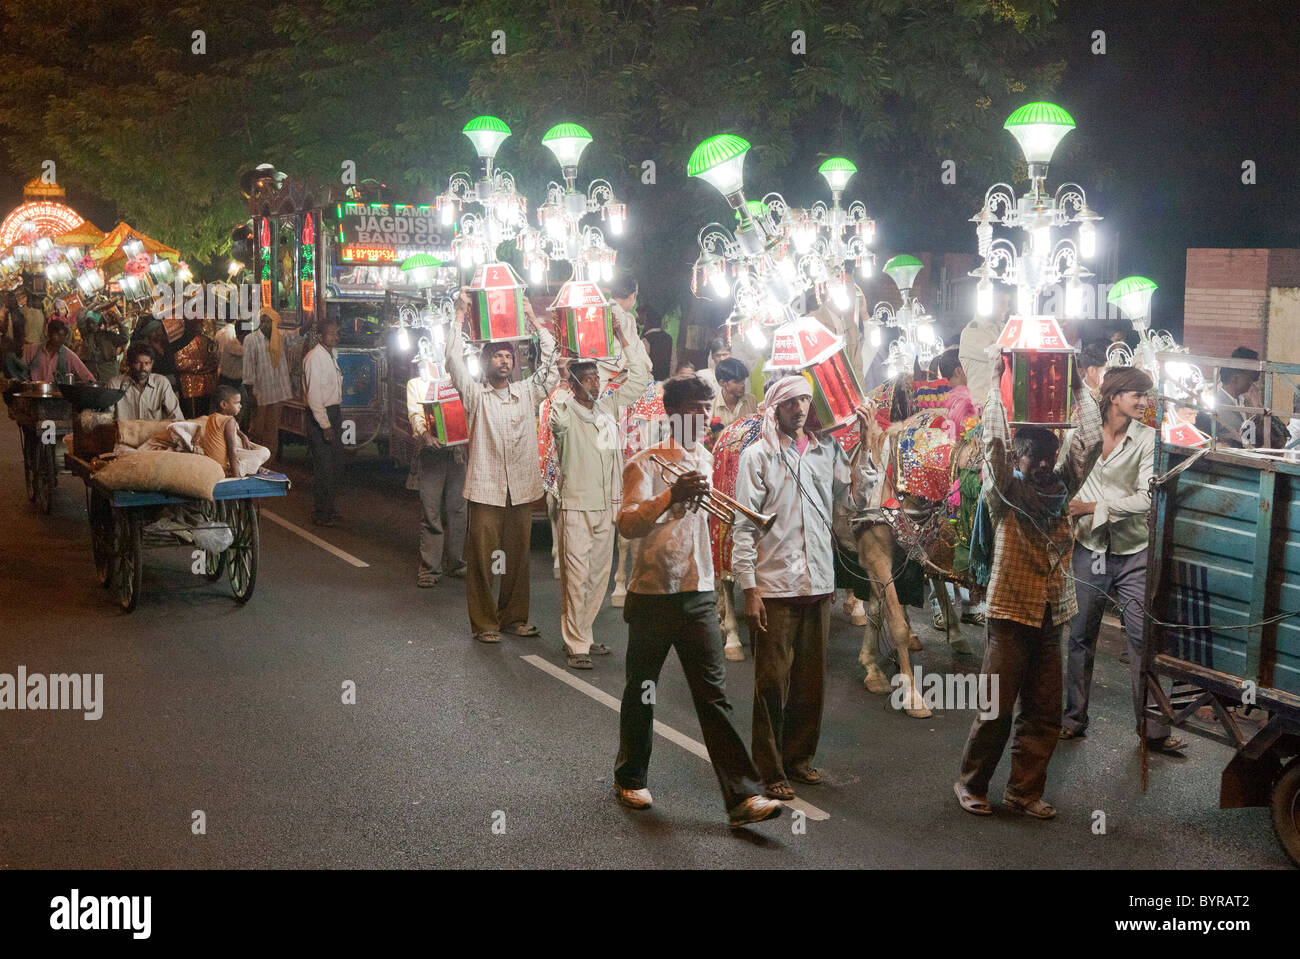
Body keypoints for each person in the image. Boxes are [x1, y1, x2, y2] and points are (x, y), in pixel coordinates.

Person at [614, 371, 784, 828]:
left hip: (699, 593)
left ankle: (744, 799)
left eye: (707, 411)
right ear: (673, 415)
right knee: (643, 691)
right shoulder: (645, 463)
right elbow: (628, 525)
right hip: (651, 594)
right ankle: (630, 777)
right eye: (694, 410)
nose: (704, 418)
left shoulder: (708, 461)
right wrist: (671, 495)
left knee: (714, 697)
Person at [953, 351, 1102, 820]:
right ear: (1019, 459)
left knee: (1043, 712)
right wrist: (997, 386)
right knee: (995, 710)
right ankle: (971, 784)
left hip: (1050, 614)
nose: (1042, 463)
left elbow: (1091, 442)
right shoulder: (1005, 491)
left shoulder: (1062, 489)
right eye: (1032, 456)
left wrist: (1078, 387)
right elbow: (993, 446)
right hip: (1010, 613)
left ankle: (1024, 790)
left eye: (1048, 455)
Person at [731, 374, 876, 800]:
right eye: (791, 402)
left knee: (811, 682)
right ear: (775, 407)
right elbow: (743, 527)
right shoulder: (757, 457)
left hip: (817, 582)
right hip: (774, 586)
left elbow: (850, 501)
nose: (799, 409)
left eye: (805, 402)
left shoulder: (824, 449)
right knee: (771, 682)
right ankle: (769, 767)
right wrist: (749, 589)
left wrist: (865, 444)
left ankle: (797, 759)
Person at [1062, 367, 1186, 754]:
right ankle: (1072, 718)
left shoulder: (1149, 439)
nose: (1144, 402)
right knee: (1081, 636)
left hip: (1134, 552)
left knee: (1141, 638)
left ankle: (1153, 730)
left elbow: (1148, 498)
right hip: (1089, 549)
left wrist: (1092, 506)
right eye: (1137, 395)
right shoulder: (1080, 436)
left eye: (1146, 396)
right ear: (1114, 396)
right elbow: (1063, 479)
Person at [445, 289, 558, 644]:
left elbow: (553, 365)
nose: (505, 361)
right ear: (486, 362)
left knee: (518, 557)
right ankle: (484, 623)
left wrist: (533, 320)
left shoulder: (527, 392)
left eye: (509, 355)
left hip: (521, 488)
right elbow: (452, 359)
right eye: (498, 356)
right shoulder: (475, 395)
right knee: (482, 558)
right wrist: (460, 315)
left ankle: (514, 618)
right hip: (485, 489)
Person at [550, 305, 650, 668]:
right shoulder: (565, 410)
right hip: (576, 506)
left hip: (606, 506)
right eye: (586, 378)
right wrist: (562, 380)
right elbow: (556, 421)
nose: (594, 383)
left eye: (595, 377)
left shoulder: (608, 407)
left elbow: (639, 378)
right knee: (576, 577)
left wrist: (626, 336)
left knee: (597, 578)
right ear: (575, 383)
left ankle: (585, 633)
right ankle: (575, 642)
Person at [406, 349, 469, 588]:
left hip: (455, 454)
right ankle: (430, 569)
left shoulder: (455, 382)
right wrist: (424, 434)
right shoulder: (416, 384)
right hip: (431, 455)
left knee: (458, 510)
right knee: (431, 512)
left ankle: (456, 562)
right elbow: (415, 414)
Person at [303, 318, 344, 526]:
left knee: (335, 464)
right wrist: (325, 424)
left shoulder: (330, 355)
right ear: (320, 336)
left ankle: (329, 508)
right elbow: (314, 396)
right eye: (330, 334)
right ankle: (321, 513)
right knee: (324, 467)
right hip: (321, 416)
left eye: (336, 333)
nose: (334, 337)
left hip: (333, 412)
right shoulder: (314, 358)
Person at [242, 307, 292, 460]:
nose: (264, 325)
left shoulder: (280, 338)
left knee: (272, 430)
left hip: (278, 392)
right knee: (257, 430)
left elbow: (297, 335)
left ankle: (269, 463)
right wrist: (250, 393)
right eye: (261, 321)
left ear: (274, 323)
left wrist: (311, 321)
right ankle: (254, 461)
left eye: (267, 321)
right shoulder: (251, 339)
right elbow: (248, 367)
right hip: (261, 393)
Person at [196, 384, 270, 478]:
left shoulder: (212, 417)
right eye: (237, 403)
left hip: (213, 463)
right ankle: (245, 468)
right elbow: (231, 450)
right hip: (224, 469)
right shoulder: (229, 421)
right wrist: (236, 477)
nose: (240, 406)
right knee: (265, 452)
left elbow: (234, 431)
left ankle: (250, 466)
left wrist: (243, 435)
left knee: (244, 443)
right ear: (224, 404)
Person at [107, 344, 182, 421]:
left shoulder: (161, 383)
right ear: (129, 363)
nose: (143, 368)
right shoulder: (115, 384)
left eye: (147, 363)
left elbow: (176, 416)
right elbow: (106, 418)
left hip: (154, 432)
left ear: (152, 363)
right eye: (138, 363)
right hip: (124, 432)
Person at [958, 287, 1010, 394]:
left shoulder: (1004, 327)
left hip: (1001, 402)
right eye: (1001, 303)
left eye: (1007, 303)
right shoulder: (971, 332)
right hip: (981, 404)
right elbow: (999, 354)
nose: (1006, 308)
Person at [20, 318, 94, 383]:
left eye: (63, 336)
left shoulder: (69, 355)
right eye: (58, 335)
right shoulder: (32, 350)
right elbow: (20, 372)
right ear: (49, 334)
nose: (61, 339)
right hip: (34, 394)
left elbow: (88, 377)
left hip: (58, 395)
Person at [173, 317, 219, 417]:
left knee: (206, 417)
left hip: (208, 386)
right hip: (189, 386)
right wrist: (202, 365)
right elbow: (180, 363)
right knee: (192, 416)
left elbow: (214, 361)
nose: (199, 326)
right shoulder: (181, 341)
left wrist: (203, 366)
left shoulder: (207, 340)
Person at [708, 356, 757, 440]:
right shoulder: (711, 405)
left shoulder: (751, 400)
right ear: (722, 383)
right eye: (737, 382)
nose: (742, 385)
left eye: (743, 380)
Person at [78, 307, 128, 382]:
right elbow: (80, 322)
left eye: (93, 322)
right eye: (90, 323)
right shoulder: (88, 336)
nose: (91, 325)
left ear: (99, 323)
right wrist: (90, 307)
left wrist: (119, 322)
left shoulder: (109, 335)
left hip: (109, 372)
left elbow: (124, 339)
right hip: (93, 372)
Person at [215, 317, 249, 428]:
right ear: (243, 333)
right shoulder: (234, 346)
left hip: (231, 382)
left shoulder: (236, 344)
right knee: (234, 415)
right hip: (230, 384)